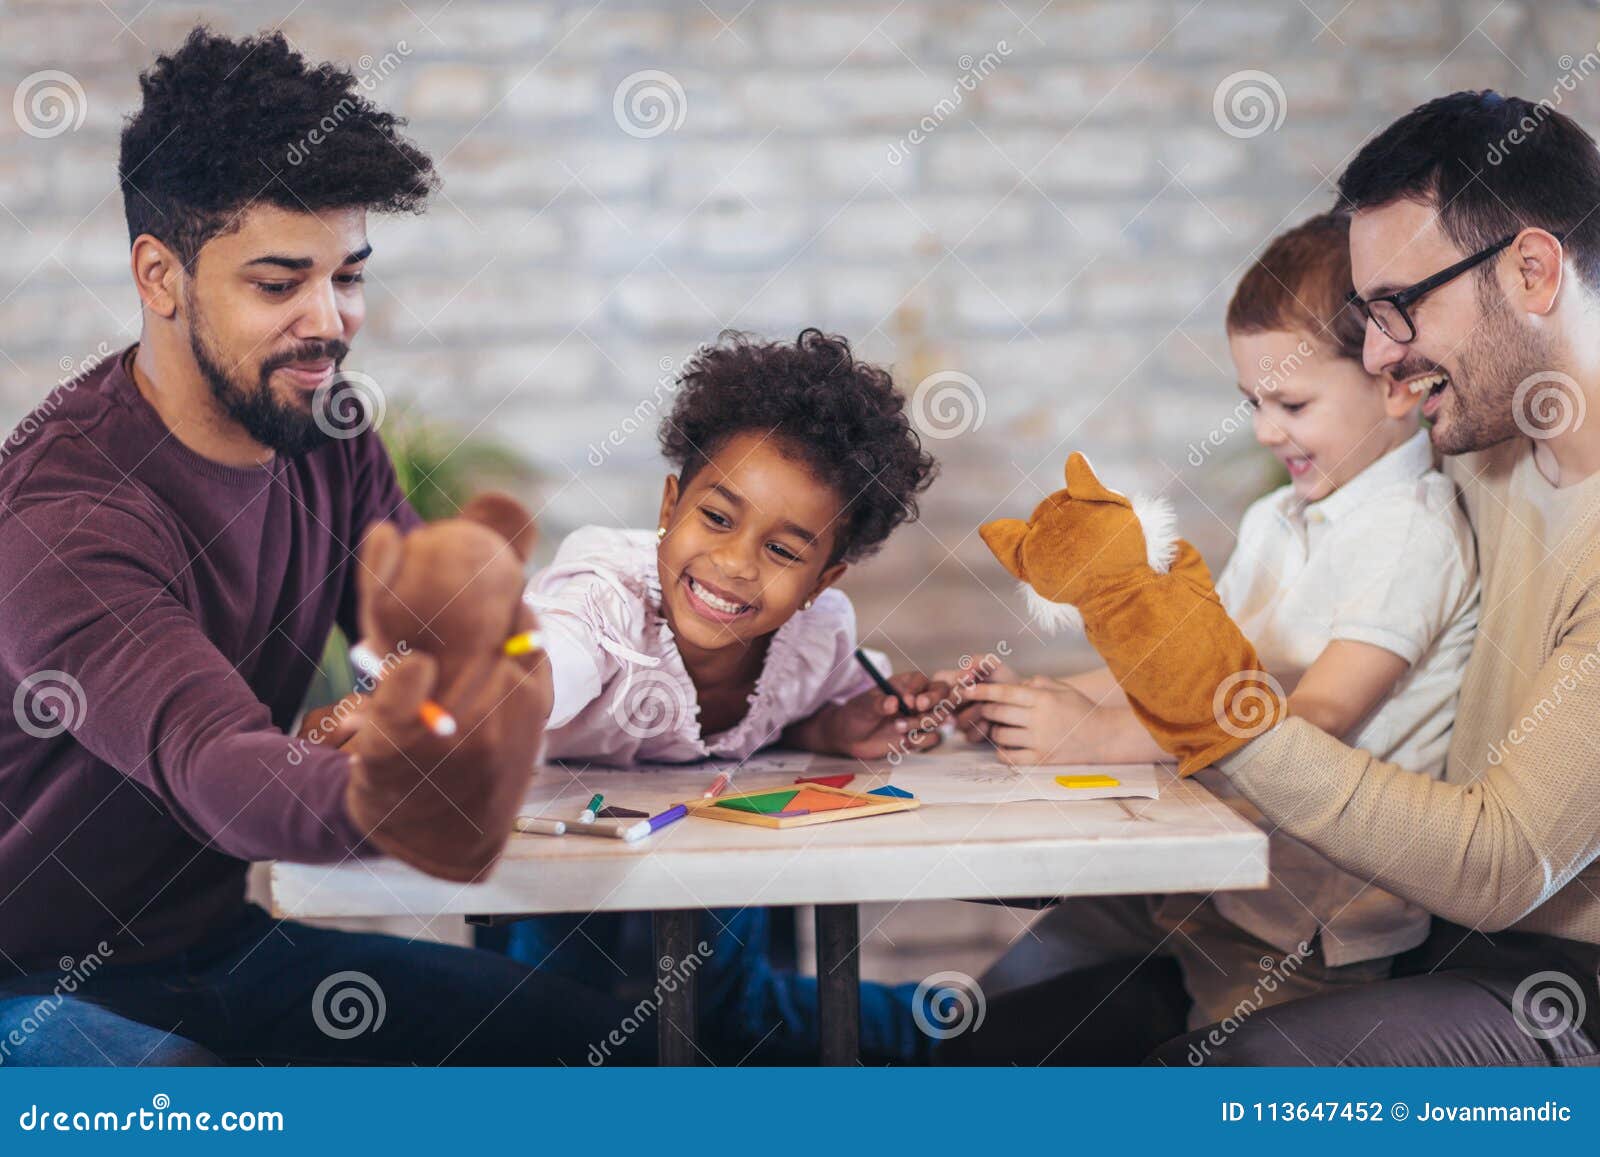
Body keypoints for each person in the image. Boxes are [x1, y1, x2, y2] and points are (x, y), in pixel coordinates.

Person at [0, 27, 645, 1067]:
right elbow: (215, 765)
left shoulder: (326, 431)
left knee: (601, 1043)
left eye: (348, 276)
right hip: (23, 984)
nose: (330, 321)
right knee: (197, 1105)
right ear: (160, 276)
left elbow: (437, 640)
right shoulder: (68, 516)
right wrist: (410, 780)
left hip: (210, 949)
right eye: (277, 283)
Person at [970, 91, 1600, 1067]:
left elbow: (1498, 866)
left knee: (1235, 1074)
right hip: (1404, 935)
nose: (1381, 351)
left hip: (1550, 984)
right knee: (1020, 1025)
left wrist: (1221, 718)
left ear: (1530, 269)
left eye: (1400, 306)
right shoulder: (1476, 449)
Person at [936, 212, 1479, 1063]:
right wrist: (1044, 700)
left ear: (1395, 382)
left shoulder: (1412, 532)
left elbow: (1320, 714)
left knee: (1209, 1090)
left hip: (1308, 929)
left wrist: (1096, 733)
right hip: (1212, 886)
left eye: (1292, 404)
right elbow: (1183, 668)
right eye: (1254, 402)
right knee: (992, 1021)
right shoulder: (1277, 517)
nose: (1266, 431)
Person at [500, 329, 947, 1063]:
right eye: (716, 516)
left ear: (822, 580)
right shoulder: (601, 592)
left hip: (700, 833)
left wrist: (852, 725)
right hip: (554, 827)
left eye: (782, 550)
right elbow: (543, 667)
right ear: (671, 503)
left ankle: (958, 1028)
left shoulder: (819, 633)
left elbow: (814, 707)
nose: (735, 564)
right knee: (550, 1009)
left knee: (727, 1011)